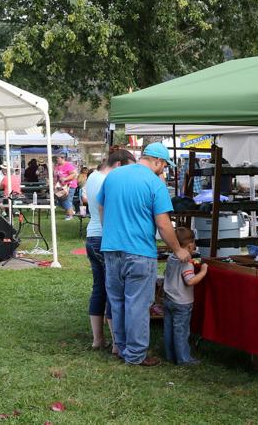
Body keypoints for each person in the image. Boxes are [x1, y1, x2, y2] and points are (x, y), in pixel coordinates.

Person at [98, 142, 191, 367]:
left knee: (117, 300)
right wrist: (178, 249)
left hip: (111, 248)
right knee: (138, 304)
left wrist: (110, 231)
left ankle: (120, 346)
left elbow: (101, 206)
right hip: (139, 252)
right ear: (157, 161)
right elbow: (163, 224)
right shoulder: (154, 183)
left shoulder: (113, 176)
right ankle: (136, 354)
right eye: (163, 166)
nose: (163, 170)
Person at [84, 148, 133, 351]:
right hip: (105, 238)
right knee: (114, 290)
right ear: (118, 166)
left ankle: (98, 339)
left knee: (100, 288)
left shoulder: (93, 177)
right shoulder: (108, 181)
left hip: (91, 236)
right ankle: (116, 342)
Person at [163, 226, 208, 365]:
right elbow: (190, 281)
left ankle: (170, 355)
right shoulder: (187, 265)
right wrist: (203, 271)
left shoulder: (171, 258)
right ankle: (184, 358)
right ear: (190, 246)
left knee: (169, 329)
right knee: (181, 331)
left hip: (168, 299)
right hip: (182, 303)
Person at [55, 153, 78, 220]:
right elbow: (56, 175)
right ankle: (71, 211)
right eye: (57, 158)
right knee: (60, 200)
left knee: (66, 200)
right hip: (60, 186)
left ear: (63, 158)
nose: (57, 159)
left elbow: (74, 174)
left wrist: (65, 178)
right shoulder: (57, 166)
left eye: (58, 158)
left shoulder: (68, 165)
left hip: (69, 185)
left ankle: (70, 215)